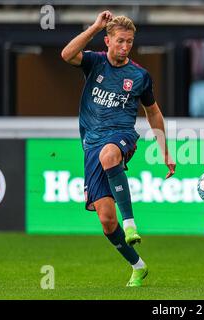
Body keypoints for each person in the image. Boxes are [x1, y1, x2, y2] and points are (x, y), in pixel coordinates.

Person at [61, 11, 176, 287]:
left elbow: (153, 113)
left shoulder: (139, 76)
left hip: (121, 134)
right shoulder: (94, 62)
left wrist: (165, 150)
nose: (125, 47)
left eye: (130, 42)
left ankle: (131, 224)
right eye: (120, 41)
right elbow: (66, 54)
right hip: (91, 143)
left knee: (109, 154)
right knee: (105, 219)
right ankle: (138, 265)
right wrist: (95, 26)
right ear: (108, 40)